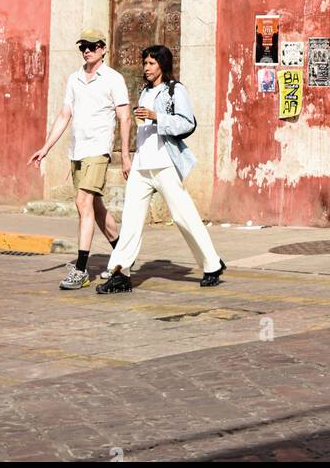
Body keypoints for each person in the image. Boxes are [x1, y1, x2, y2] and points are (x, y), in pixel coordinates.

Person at [96, 44, 225, 294]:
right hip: (142, 165)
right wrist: (129, 158)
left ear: (162, 65)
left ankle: (212, 264)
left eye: (151, 63)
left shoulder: (175, 90)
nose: (146, 68)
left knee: (182, 215)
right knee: (131, 221)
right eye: (144, 63)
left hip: (165, 163)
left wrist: (158, 117)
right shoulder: (144, 91)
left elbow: (188, 123)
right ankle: (121, 272)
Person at [28, 30, 131, 291]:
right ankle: (123, 260)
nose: (87, 50)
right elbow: (65, 114)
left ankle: (82, 269)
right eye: (83, 46)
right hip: (77, 150)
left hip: (98, 149)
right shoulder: (74, 78)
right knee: (95, 207)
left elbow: (125, 118)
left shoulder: (113, 79)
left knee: (82, 201)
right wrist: (46, 147)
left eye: (93, 46)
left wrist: (127, 156)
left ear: (103, 48)